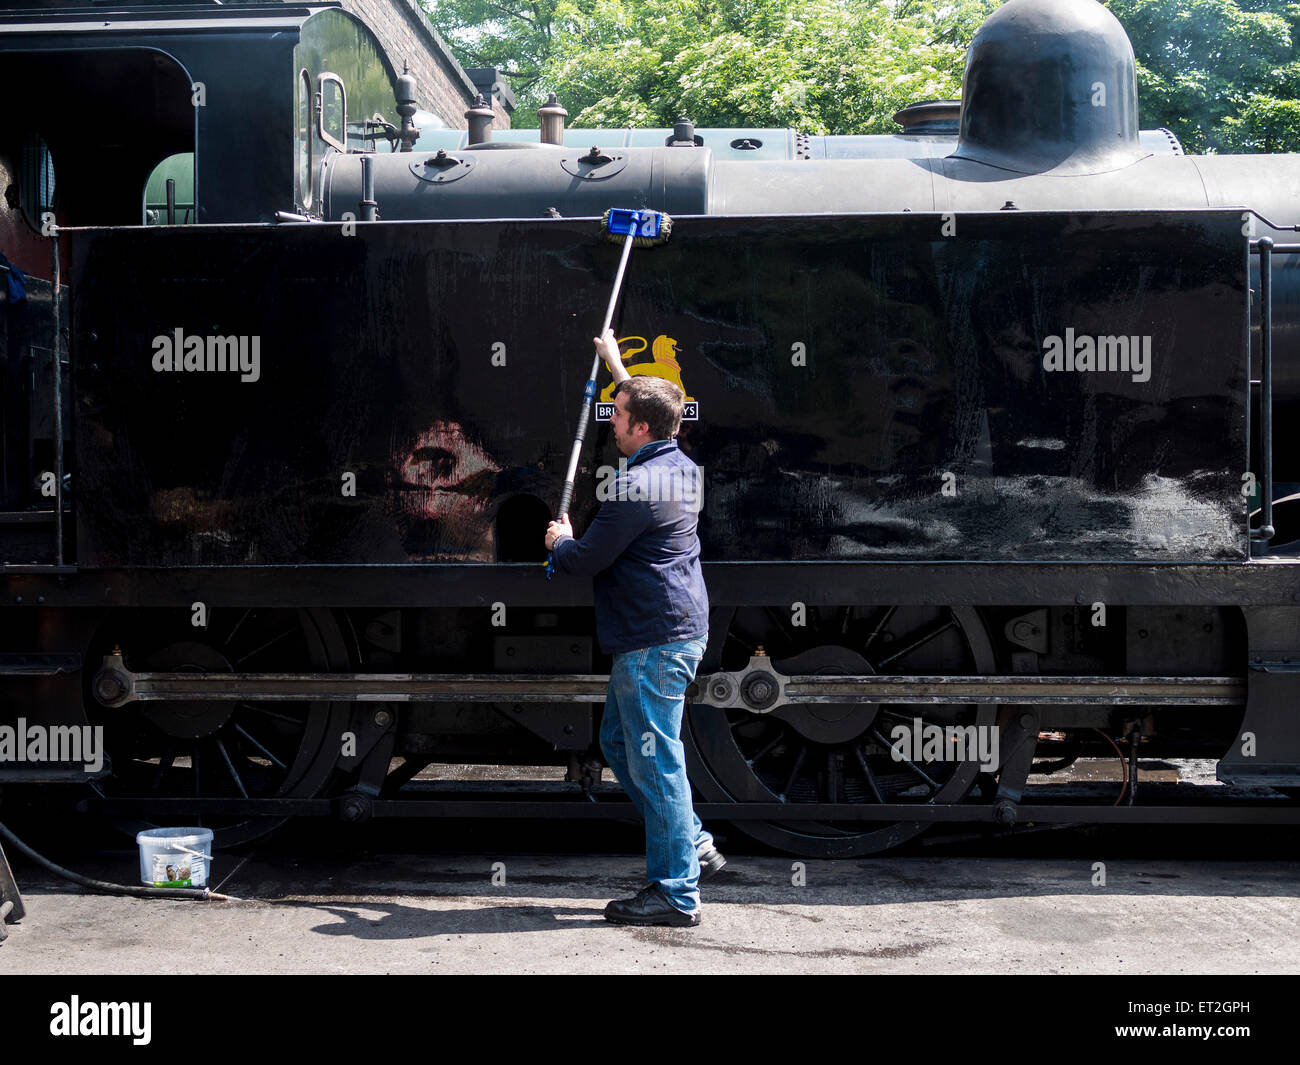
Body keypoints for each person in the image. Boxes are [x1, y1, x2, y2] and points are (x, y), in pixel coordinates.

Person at [545, 328, 724, 927]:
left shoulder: (634, 487)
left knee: (656, 761)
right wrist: (617, 366)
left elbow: (588, 559)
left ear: (640, 428)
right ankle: (689, 834)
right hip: (673, 628)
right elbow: (651, 406)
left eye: (617, 415)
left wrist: (560, 542)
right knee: (622, 745)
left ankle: (676, 892)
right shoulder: (681, 465)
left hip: (652, 639)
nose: (611, 422)